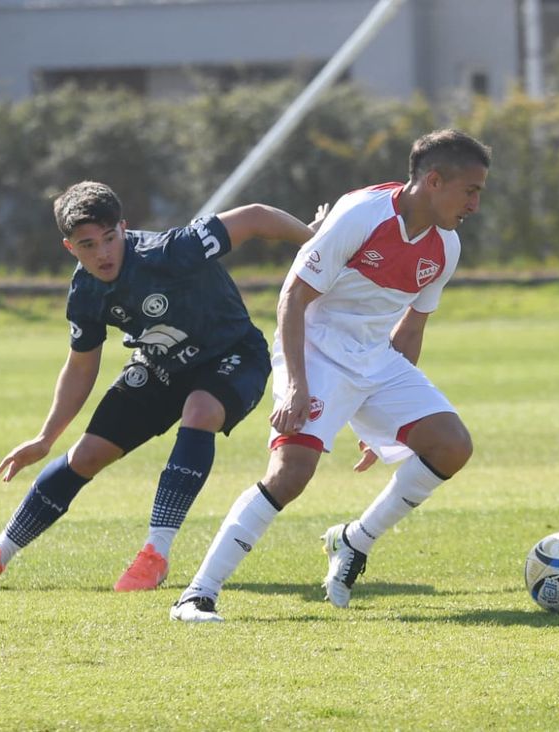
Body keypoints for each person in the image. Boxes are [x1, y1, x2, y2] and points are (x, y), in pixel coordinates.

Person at [170, 129, 491, 622]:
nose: (475, 203)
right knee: (291, 472)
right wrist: (296, 383)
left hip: (375, 358)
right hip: (315, 348)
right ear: (433, 181)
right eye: (470, 191)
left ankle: (354, 542)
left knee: (452, 445)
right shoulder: (361, 215)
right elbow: (293, 298)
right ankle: (196, 595)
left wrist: (385, 421)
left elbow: (411, 328)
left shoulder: (445, 248)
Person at [0, 180, 320, 592]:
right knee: (87, 455)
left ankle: (155, 554)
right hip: (160, 366)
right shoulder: (85, 293)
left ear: (123, 227)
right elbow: (81, 365)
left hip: (234, 356)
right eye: (88, 245)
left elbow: (254, 217)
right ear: (69, 247)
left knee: (200, 411)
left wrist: (314, 240)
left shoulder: (170, 250)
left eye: (109, 238)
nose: (103, 253)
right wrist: (46, 436)